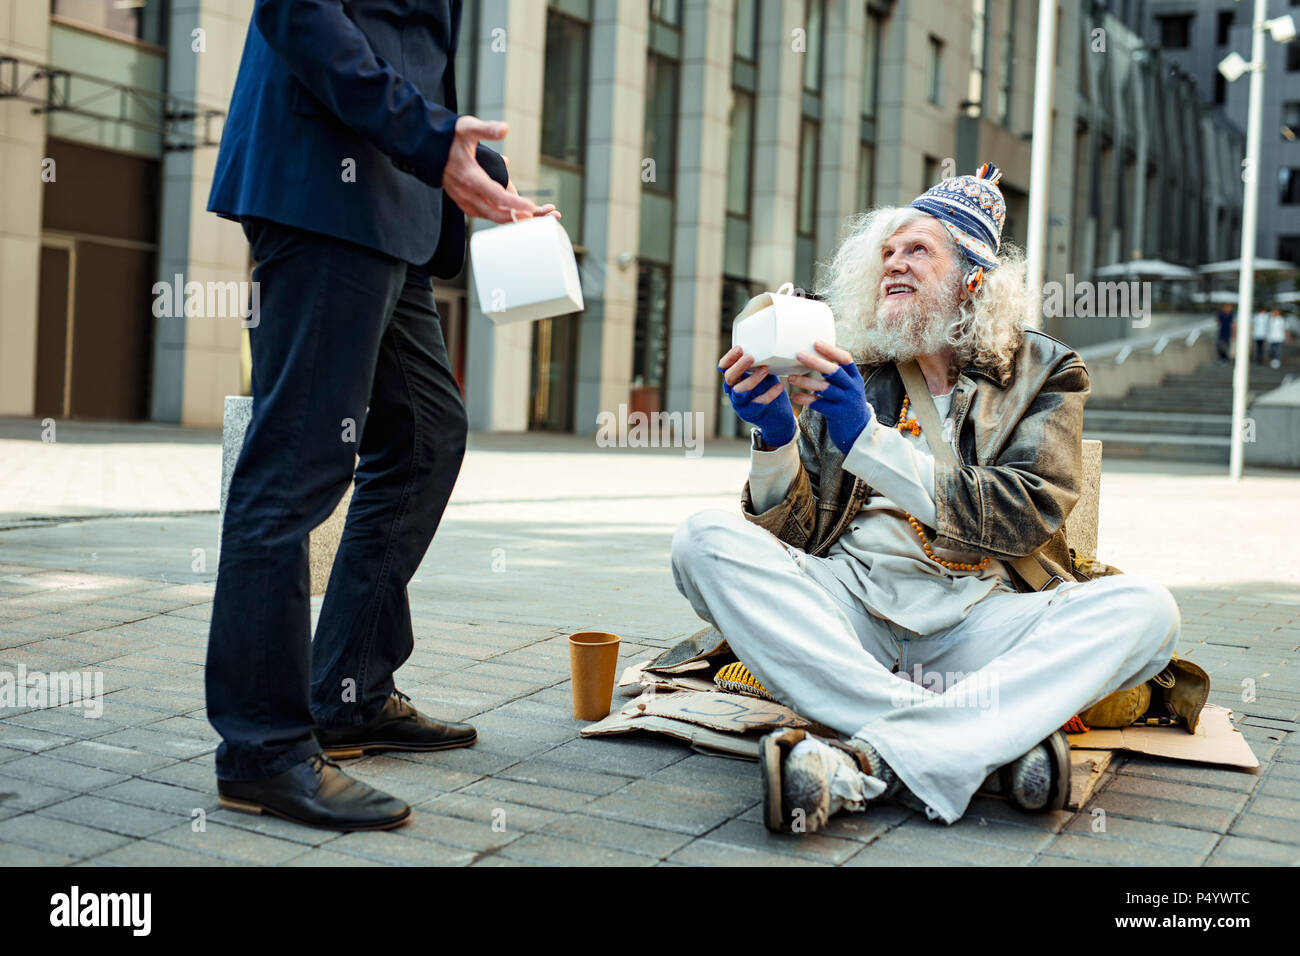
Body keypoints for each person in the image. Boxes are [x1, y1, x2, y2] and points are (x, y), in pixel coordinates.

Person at [671, 163, 1180, 830]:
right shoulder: (856, 369)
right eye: (886, 252)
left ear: (973, 277)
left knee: (1147, 611)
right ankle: (973, 745)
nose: (894, 264)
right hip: (850, 607)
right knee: (701, 540)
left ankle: (868, 757)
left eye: (917, 250)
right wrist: (774, 440)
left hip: (978, 618)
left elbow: (1027, 510)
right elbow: (794, 536)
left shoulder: (1047, 371)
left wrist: (869, 441)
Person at [203, 0, 558, 832]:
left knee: (428, 435)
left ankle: (349, 691)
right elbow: (298, 13)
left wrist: (470, 167)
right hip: (321, 191)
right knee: (293, 468)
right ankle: (263, 751)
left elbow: (402, 47)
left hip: (389, 208)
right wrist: (434, 144)